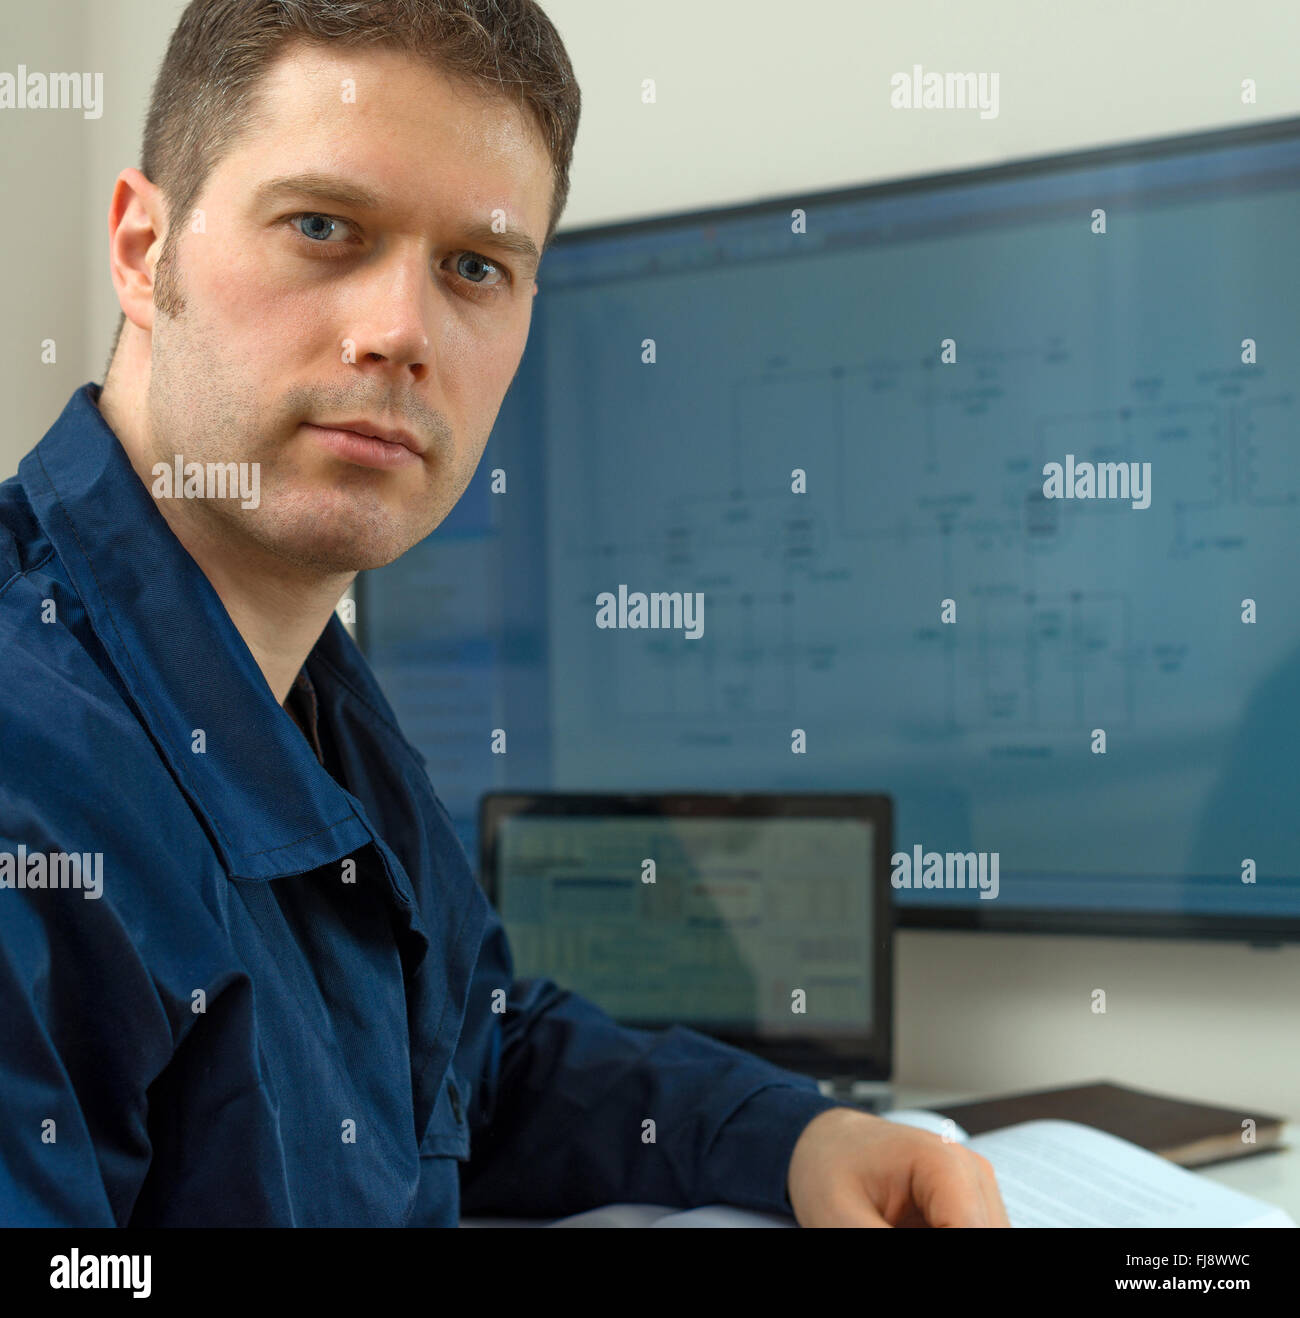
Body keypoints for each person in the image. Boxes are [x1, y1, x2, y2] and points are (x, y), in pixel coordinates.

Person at [0, 0, 1008, 1228]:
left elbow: (468, 1068)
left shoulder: (310, 698)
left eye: (475, 267)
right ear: (140, 246)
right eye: (323, 227)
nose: (401, 334)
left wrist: (797, 1138)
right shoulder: (30, 774)